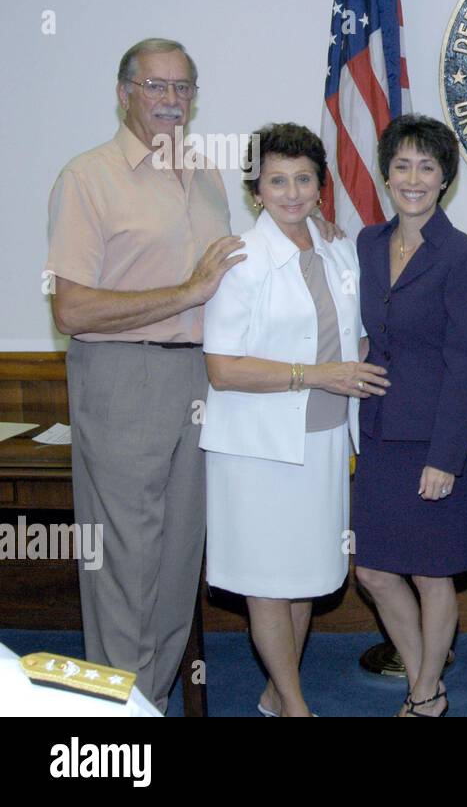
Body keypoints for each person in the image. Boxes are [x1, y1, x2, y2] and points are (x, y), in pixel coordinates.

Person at [46, 38, 239, 712]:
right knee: (125, 574)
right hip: (123, 379)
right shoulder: (88, 178)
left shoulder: (206, 175)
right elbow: (71, 307)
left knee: (177, 569)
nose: (171, 101)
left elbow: (228, 281)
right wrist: (185, 293)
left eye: (183, 88)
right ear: (123, 92)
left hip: (198, 384)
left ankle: (146, 707)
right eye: (155, 87)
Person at [200, 123, 383, 717]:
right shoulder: (240, 259)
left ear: (320, 186)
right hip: (256, 449)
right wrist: (315, 375)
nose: (292, 192)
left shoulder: (337, 248)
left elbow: (354, 336)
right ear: (256, 191)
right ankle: (297, 706)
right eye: (277, 180)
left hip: (326, 439)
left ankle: (278, 692)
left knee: (305, 574)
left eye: (303, 178)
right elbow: (223, 368)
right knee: (266, 580)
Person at [352, 115, 467, 718]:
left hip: (433, 440)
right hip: (378, 434)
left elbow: (466, 363)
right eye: (402, 165)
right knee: (375, 570)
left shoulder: (462, 256)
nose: (413, 178)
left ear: (445, 179)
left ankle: (427, 692)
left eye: (427, 166)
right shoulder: (367, 243)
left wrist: (446, 457)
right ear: (385, 174)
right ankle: (420, 676)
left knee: (433, 575)